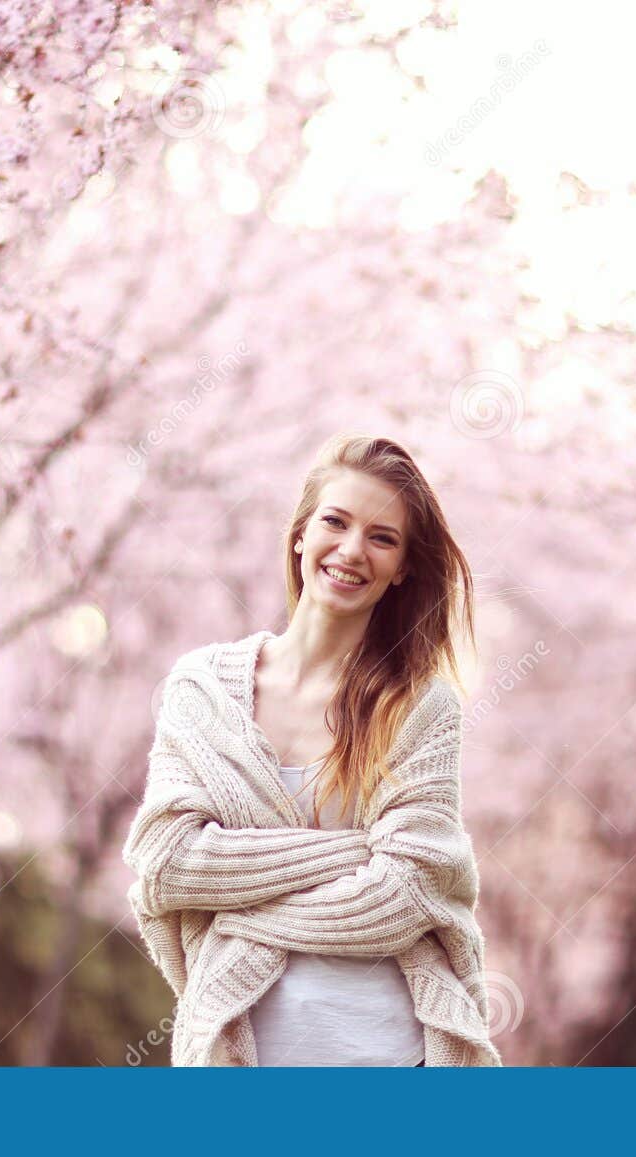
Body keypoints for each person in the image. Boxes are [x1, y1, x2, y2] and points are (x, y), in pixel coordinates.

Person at [124, 433, 499, 1066]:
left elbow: (403, 895)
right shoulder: (203, 688)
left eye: (382, 538)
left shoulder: (418, 704)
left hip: (388, 1056)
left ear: (404, 566)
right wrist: (358, 852)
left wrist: (237, 910)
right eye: (336, 521)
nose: (352, 550)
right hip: (238, 1054)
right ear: (301, 533)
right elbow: (166, 862)